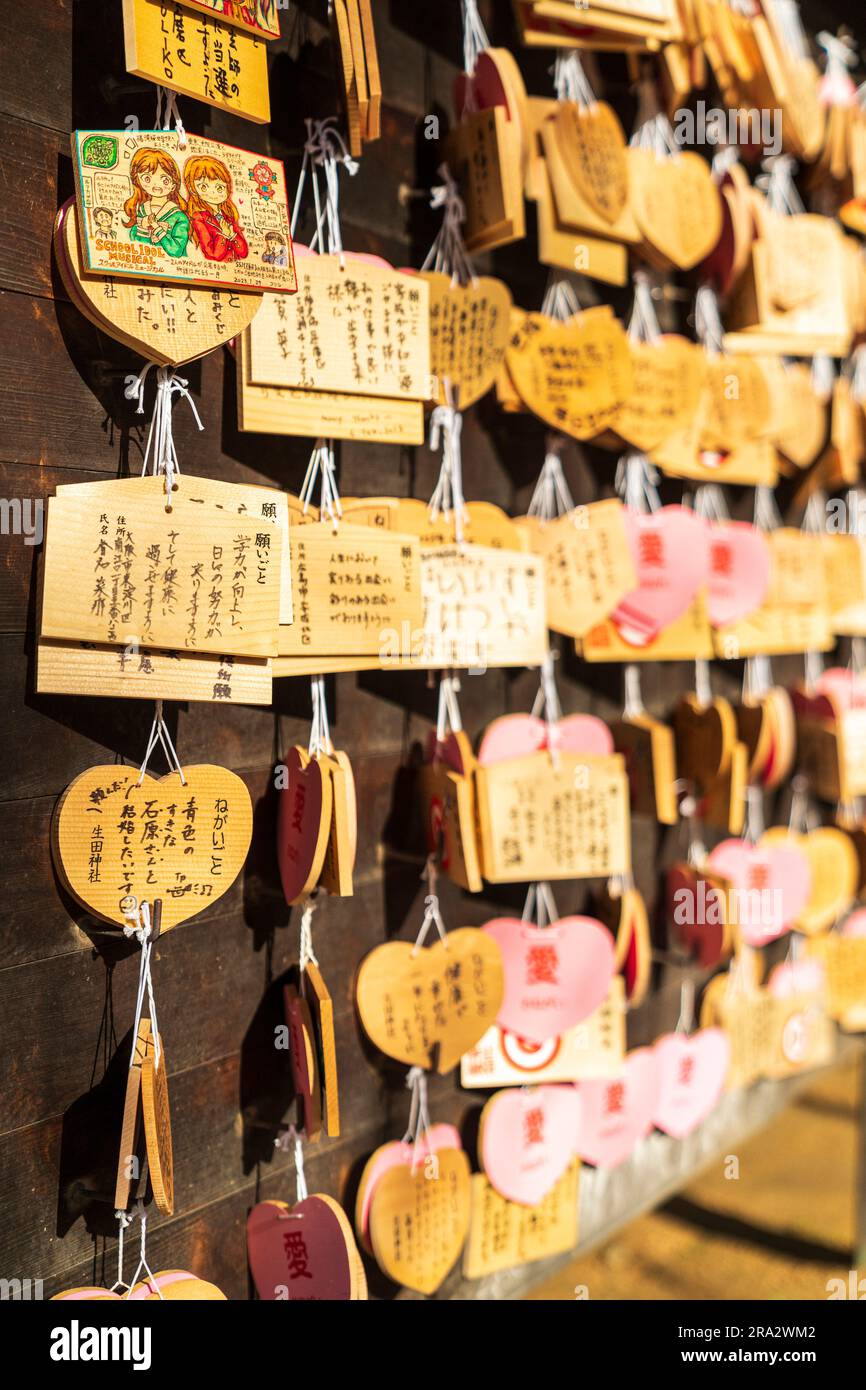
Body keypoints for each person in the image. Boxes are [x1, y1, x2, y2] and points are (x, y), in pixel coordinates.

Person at [122, 148, 189, 258]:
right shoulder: (142, 211)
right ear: (138, 181)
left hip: (170, 268)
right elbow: (132, 240)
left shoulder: (179, 217)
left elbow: (176, 251)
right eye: (147, 178)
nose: (156, 185)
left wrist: (156, 228)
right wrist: (142, 226)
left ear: (173, 185)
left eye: (165, 180)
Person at [183, 154, 249, 263]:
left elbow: (244, 252)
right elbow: (213, 254)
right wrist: (223, 235)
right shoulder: (199, 218)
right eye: (203, 187)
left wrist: (232, 235)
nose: (213, 192)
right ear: (193, 189)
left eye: (219, 187)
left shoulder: (228, 216)